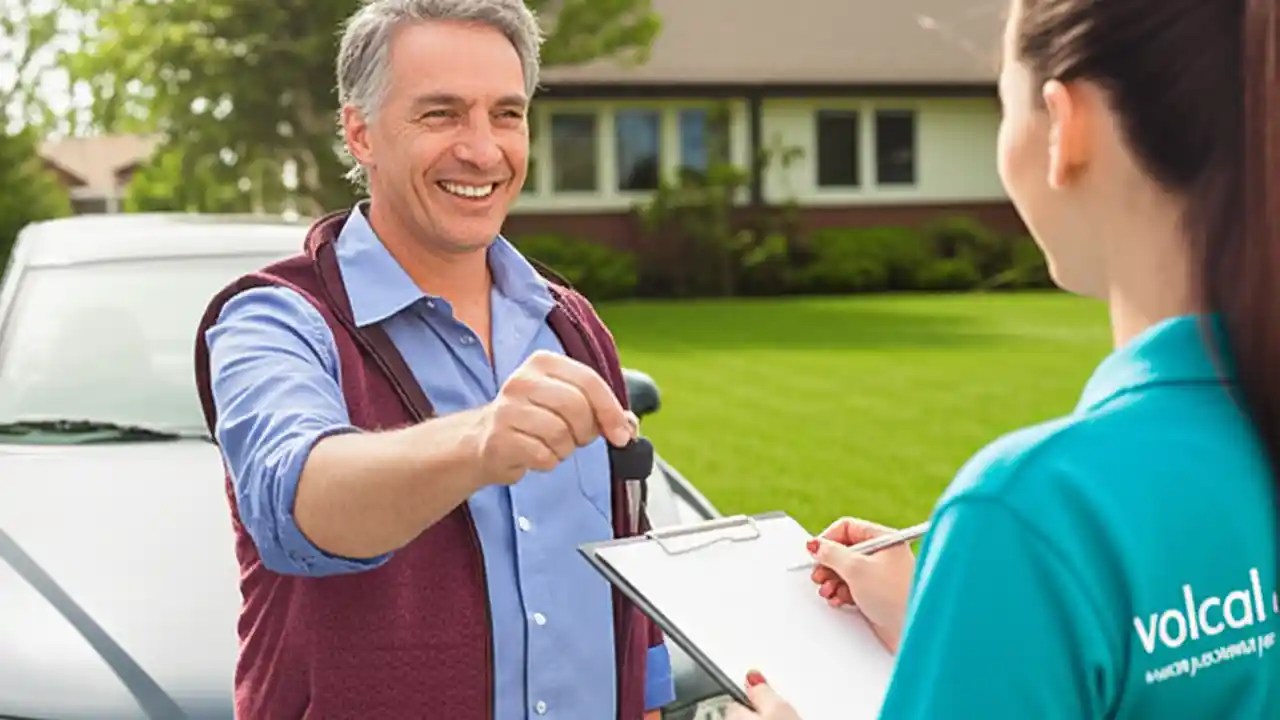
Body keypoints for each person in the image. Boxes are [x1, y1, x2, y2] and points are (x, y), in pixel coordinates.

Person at [730, 0, 1279, 716]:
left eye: (1003, 103)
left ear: (1065, 124)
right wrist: (959, 623)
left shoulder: (1036, 512)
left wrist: (1004, 585)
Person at [190, 1, 674, 718]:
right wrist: (480, 442)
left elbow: (628, 560)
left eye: (506, 114)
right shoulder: (275, 320)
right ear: (360, 133)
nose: (483, 150)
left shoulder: (569, 325)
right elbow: (296, 506)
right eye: (441, 115)